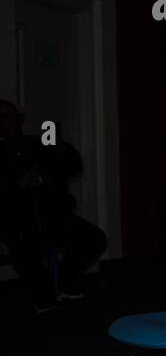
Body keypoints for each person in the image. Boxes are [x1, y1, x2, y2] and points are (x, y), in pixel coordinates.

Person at [0, 101, 106, 313]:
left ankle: (64, 281)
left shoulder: (36, 144)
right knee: (24, 246)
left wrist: (61, 150)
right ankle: (43, 294)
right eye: (5, 117)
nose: (12, 122)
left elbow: (70, 168)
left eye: (15, 116)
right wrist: (15, 184)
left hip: (52, 214)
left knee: (93, 239)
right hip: (14, 218)